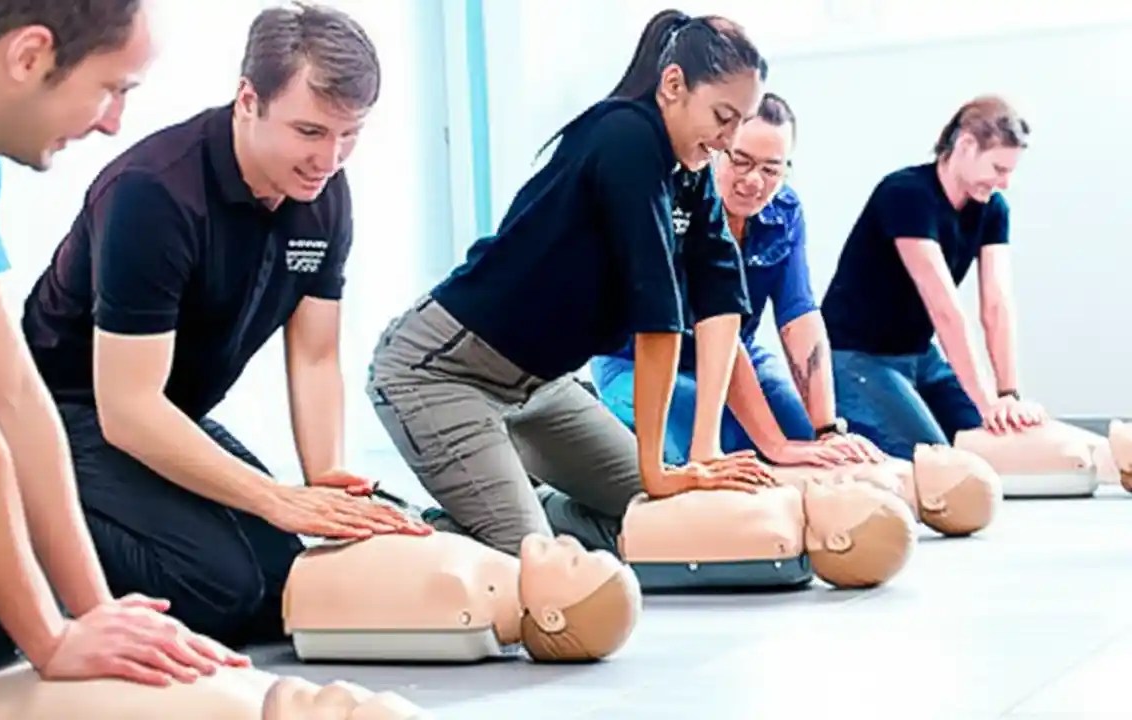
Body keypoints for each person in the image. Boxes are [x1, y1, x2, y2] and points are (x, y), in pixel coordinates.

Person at [0, 2, 430, 656]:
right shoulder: (154, 193)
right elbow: (126, 410)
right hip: (68, 412)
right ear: (248, 99)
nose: (328, 158)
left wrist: (326, 477)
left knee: (284, 579)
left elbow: (313, 357)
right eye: (310, 131)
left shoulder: (323, 194)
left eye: (349, 134)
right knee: (220, 587)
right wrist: (277, 499)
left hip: (164, 412)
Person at [0, 1, 252, 717]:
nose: (112, 123)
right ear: (30, 54)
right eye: (112, 88)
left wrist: (95, 613)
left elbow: (11, 395)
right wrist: (48, 637)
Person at [365, 10, 775, 558]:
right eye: (722, 117)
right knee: (537, 564)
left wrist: (704, 449)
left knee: (666, 523)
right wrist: (656, 469)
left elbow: (721, 296)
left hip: (539, 388)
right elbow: (658, 314)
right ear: (673, 84)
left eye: (738, 124)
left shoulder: (690, 173)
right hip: (442, 371)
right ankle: (396, 520)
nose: (727, 143)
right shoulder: (625, 137)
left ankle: (517, 506)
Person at [590, 93, 884, 467]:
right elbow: (715, 323)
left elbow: (799, 314)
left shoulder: (785, 212)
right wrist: (775, 446)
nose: (753, 181)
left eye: (771, 170)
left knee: (809, 443)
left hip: (739, 353)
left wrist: (826, 429)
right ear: (717, 148)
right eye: (740, 161)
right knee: (707, 452)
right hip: (639, 360)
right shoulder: (679, 209)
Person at [819, 95, 1046, 461]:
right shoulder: (906, 194)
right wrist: (986, 402)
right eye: (999, 168)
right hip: (857, 356)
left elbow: (997, 304)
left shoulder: (991, 209)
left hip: (921, 358)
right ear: (967, 145)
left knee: (993, 445)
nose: (1004, 182)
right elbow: (945, 310)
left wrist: (1007, 395)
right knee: (941, 462)